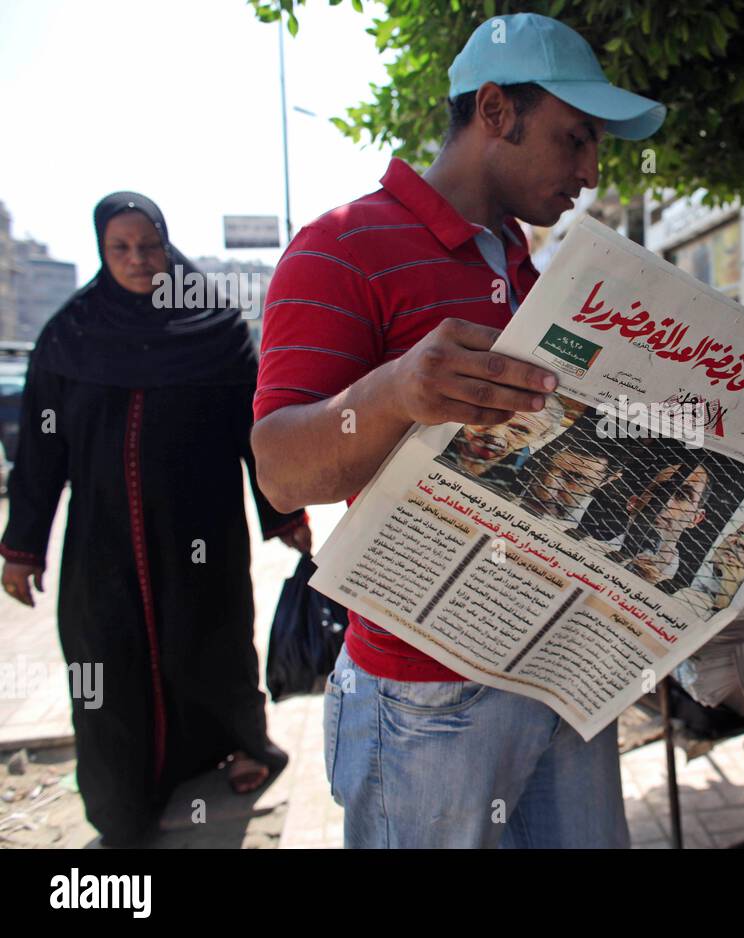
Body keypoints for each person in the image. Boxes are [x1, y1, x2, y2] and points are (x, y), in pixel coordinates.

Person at [249, 12, 665, 848]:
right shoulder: (340, 247)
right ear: (495, 112)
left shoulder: (526, 268)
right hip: (428, 696)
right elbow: (280, 470)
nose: (589, 171)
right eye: (574, 139)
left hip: (562, 667)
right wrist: (398, 390)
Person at [0, 192, 310, 846]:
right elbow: (40, 449)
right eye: (121, 248)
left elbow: (253, 431)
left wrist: (282, 513)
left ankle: (241, 747)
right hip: (102, 542)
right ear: (101, 251)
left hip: (203, 532)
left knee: (213, 644)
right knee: (105, 667)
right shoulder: (70, 336)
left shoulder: (216, 329)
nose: (139, 260)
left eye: (150, 245)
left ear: (167, 244)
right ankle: (124, 800)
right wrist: (22, 547)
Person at [442, 392, 565, 485]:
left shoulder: (525, 479)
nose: (496, 434)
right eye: (488, 415)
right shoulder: (440, 428)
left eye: (519, 430)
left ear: (540, 438)